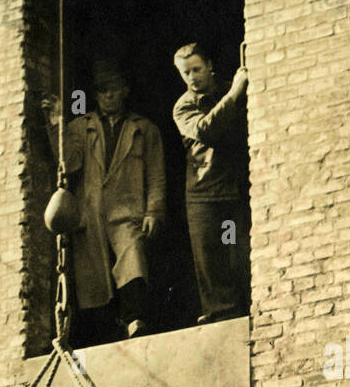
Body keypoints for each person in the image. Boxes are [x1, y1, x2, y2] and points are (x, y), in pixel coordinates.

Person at [43, 59, 166, 344]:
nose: (108, 96)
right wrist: (55, 125)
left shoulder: (144, 129)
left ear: (125, 90)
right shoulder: (80, 126)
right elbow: (70, 163)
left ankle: (135, 318)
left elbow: (156, 175)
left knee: (132, 256)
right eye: (102, 91)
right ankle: (106, 331)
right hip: (93, 211)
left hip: (129, 210)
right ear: (96, 95)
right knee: (95, 276)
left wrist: (154, 211)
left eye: (113, 90)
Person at [172, 42, 249, 324]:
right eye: (185, 73)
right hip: (203, 195)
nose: (192, 77)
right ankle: (220, 317)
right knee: (210, 262)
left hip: (234, 189)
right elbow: (207, 130)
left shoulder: (232, 87)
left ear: (209, 66)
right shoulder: (183, 107)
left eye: (196, 69)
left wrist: (235, 90)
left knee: (239, 255)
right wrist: (235, 93)